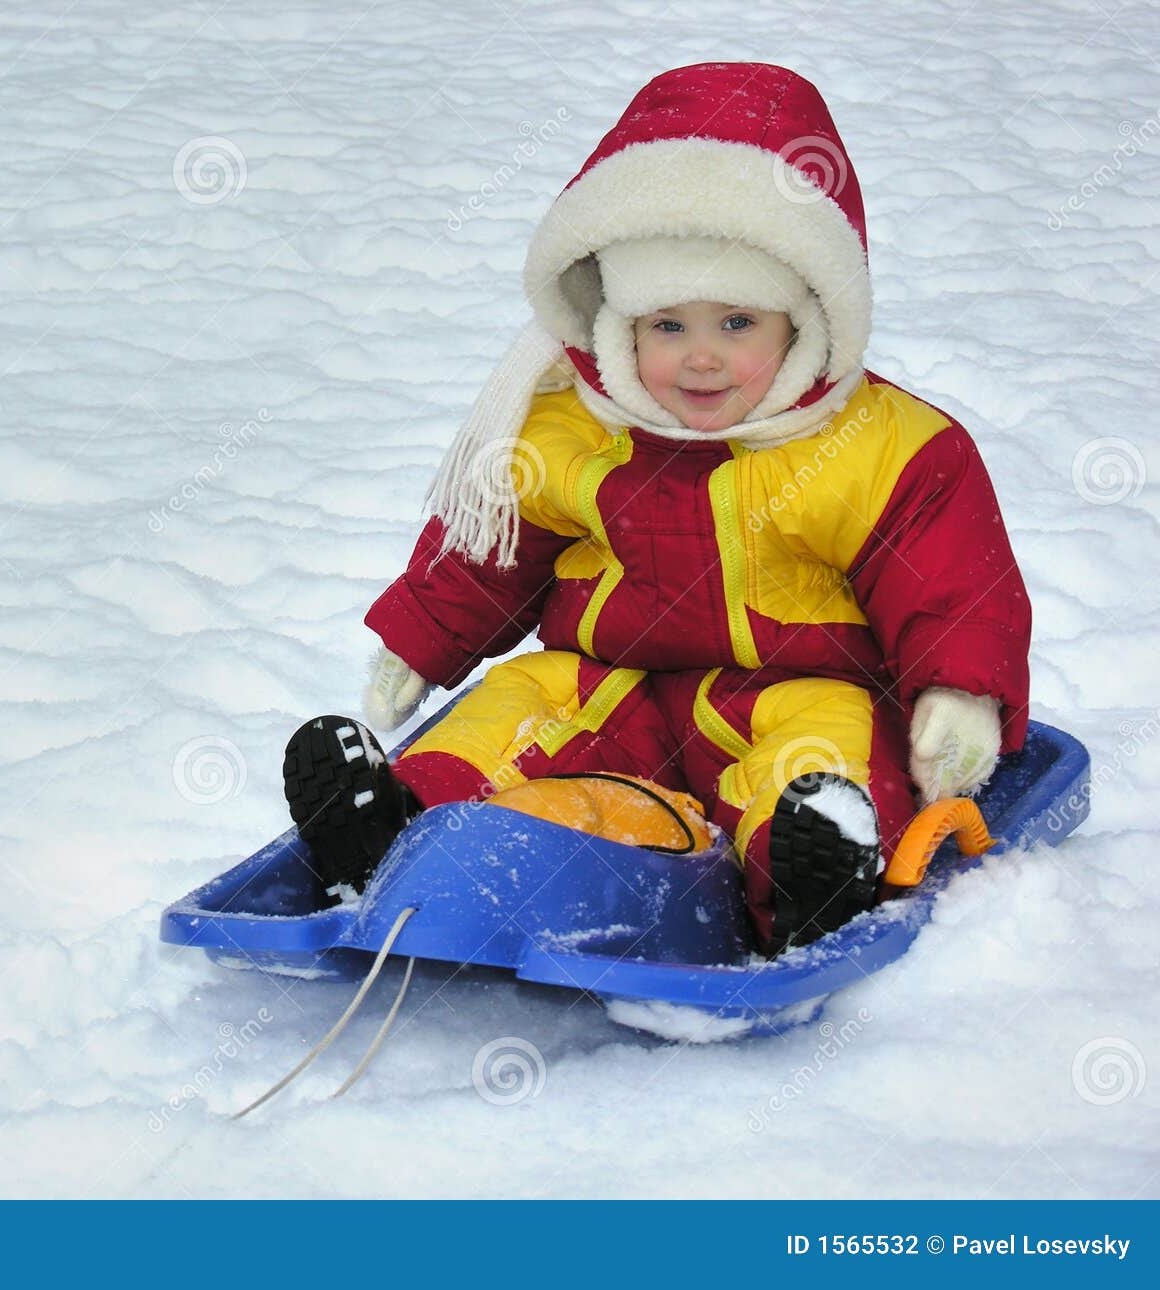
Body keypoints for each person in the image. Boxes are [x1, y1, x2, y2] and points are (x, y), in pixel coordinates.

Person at [282, 62, 1031, 956]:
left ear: (806, 319)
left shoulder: (876, 445)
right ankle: (393, 832)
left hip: (792, 691)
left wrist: (958, 694)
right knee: (517, 705)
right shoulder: (572, 425)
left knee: (826, 747)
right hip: (611, 686)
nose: (701, 360)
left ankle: (811, 873)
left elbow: (951, 582)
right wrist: (418, 642)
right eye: (668, 326)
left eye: (738, 324)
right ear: (619, 324)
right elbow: (492, 550)